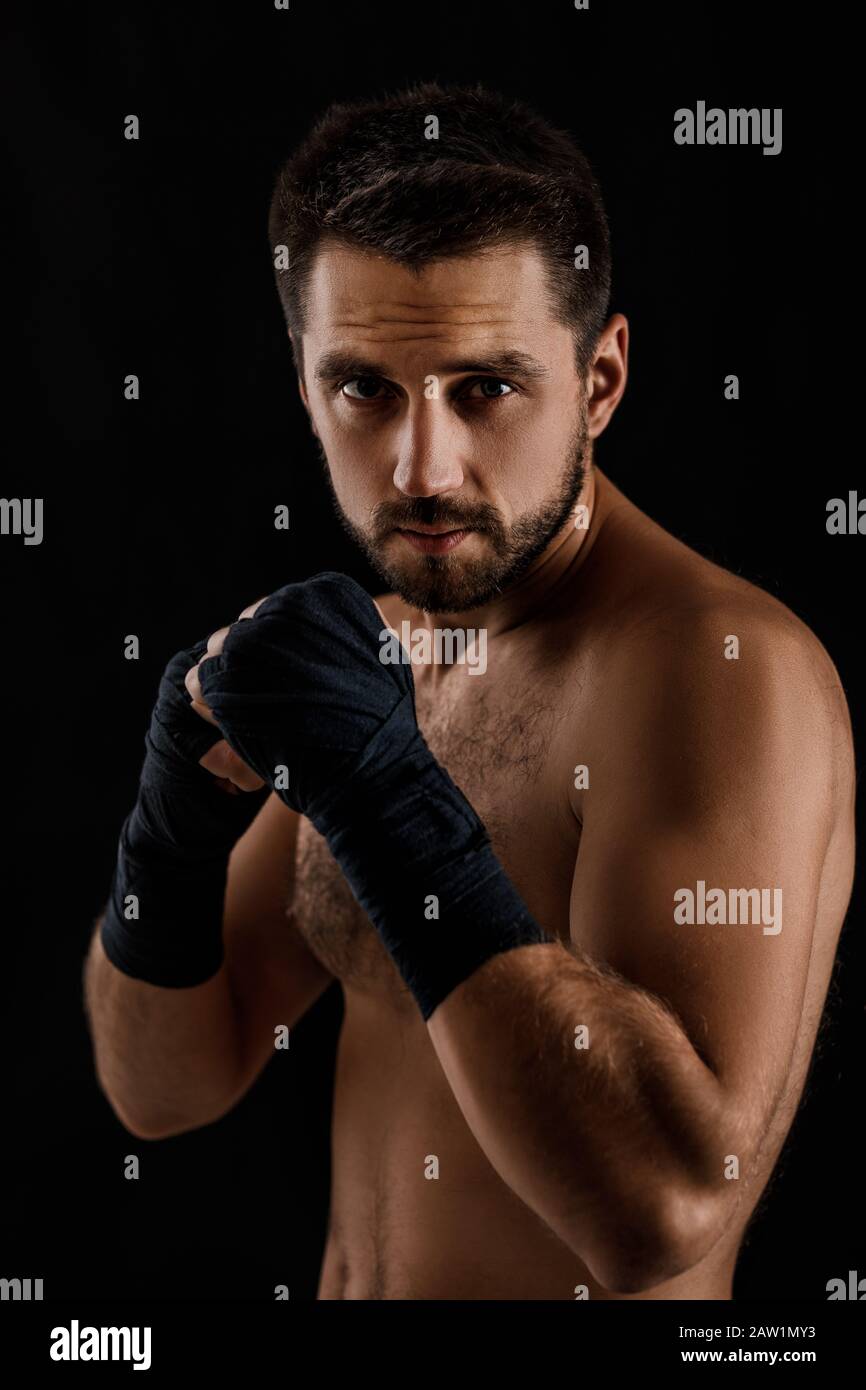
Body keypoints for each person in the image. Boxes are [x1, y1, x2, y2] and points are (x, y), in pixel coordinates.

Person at [84, 83, 855, 1300]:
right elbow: (164, 1086)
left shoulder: (716, 669)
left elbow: (662, 1205)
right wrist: (167, 832)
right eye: (366, 390)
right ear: (302, 383)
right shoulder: (379, 660)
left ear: (598, 380)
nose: (421, 466)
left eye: (485, 388)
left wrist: (390, 805)